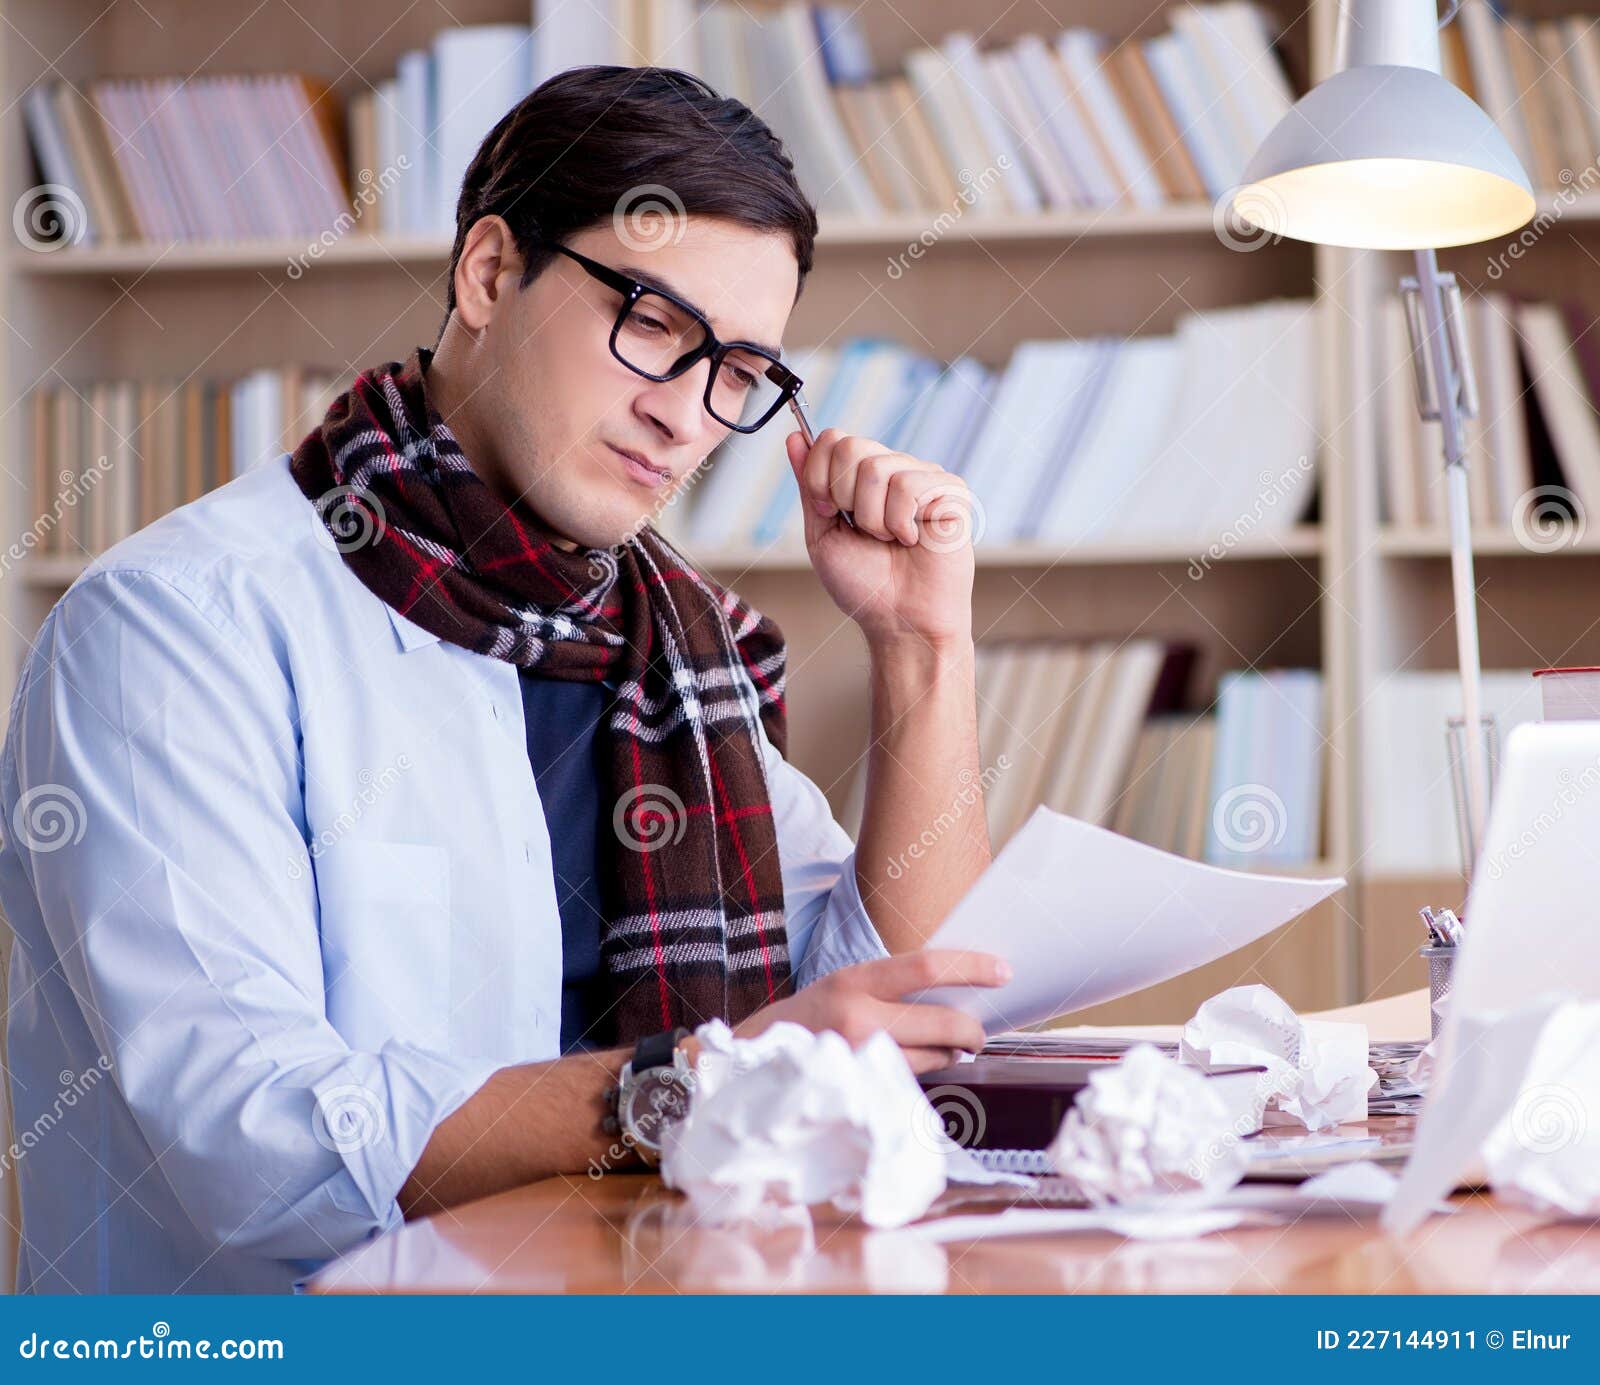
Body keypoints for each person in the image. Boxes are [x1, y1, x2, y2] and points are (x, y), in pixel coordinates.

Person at [0, 65, 1002, 1294]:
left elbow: (893, 993)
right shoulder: (174, 626)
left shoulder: (667, 641)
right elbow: (252, 1141)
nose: (687, 414)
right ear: (488, 273)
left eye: (737, 370)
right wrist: (695, 1084)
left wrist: (921, 647)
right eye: (655, 325)